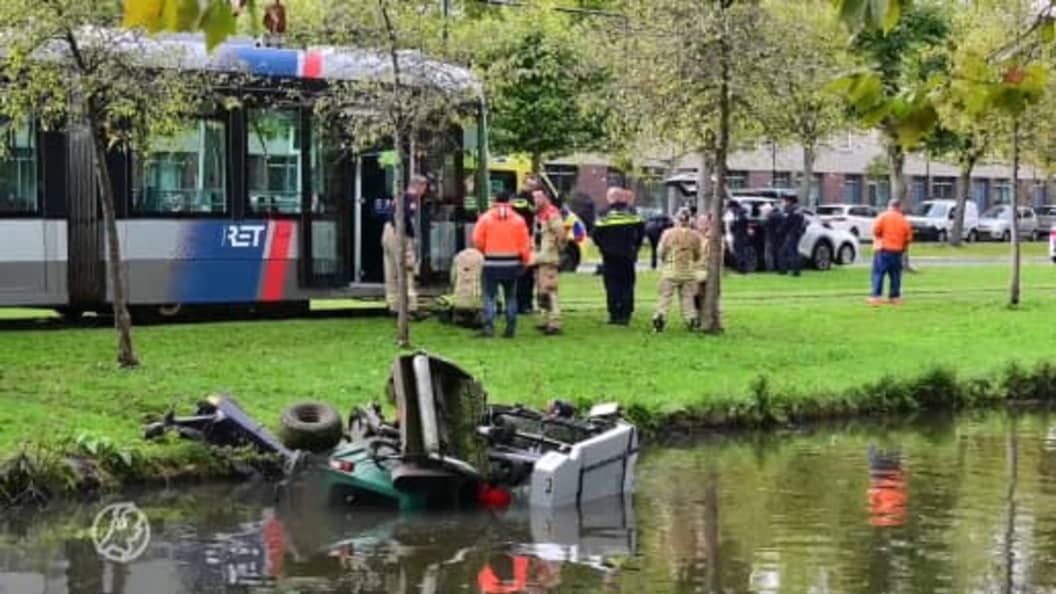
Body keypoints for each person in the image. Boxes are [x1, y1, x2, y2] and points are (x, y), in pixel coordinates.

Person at [472, 191, 532, 337]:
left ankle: (489, 327)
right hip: (511, 264)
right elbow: (525, 243)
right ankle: (510, 328)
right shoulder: (518, 220)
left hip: (491, 263)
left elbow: (477, 239)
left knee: (489, 297)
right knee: (511, 297)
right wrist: (525, 261)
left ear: (495, 201)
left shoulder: (485, 218)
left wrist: (485, 250)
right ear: (509, 201)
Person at [592, 188, 645, 325]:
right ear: (621, 197)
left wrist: (603, 247)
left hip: (609, 257)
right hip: (628, 255)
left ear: (610, 198)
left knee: (612, 285)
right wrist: (635, 248)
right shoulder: (632, 213)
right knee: (627, 284)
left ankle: (614, 314)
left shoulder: (604, 214)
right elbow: (641, 232)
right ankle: (625, 314)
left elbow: (595, 234)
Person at [652, 208, 704, 333]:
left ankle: (660, 317)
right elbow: (698, 255)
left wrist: (665, 260)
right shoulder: (695, 235)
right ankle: (691, 319)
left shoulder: (668, 233)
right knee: (688, 298)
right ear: (690, 220)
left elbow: (661, 252)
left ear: (676, 219)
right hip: (688, 272)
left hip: (671, 271)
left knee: (665, 297)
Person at [382, 175, 426, 319]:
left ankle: (393, 306)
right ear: (419, 186)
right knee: (407, 270)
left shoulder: (399, 196)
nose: (423, 192)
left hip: (387, 232)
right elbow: (404, 218)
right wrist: (410, 238)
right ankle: (410, 308)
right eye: (424, 188)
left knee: (391, 271)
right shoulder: (411, 198)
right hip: (399, 234)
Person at [531, 189, 567, 335]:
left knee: (550, 290)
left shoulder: (552, 213)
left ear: (546, 197)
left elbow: (561, 234)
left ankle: (555, 322)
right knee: (541, 292)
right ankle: (544, 319)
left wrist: (558, 249)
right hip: (539, 258)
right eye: (534, 198)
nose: (535, 200)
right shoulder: (538, 214)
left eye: (538, 197)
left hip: (548, 258)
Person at [870, 198, 914, 306]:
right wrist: (903, 247)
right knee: (895, 275)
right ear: (899, 207)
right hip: (897, 251)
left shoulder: (883, 216)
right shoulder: (903, 220)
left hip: (883, 249)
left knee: (878, 273)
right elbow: (908, 237)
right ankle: (894, 297)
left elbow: (876, 230)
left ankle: (876, 296)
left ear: (889, 206)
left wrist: (880, 237)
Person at [446, 247, 484, 328]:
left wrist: (452, 284)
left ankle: (459, 318)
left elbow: (453, 276)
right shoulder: (480, 258)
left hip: (459, 297)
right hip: (475, 297)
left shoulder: (458, 257)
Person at [779, 195, 806, 277]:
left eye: (786, 201)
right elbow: (802, 221)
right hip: (798, 232)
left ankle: (793, 271)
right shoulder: (799, 209)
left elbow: (787, 221)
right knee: (793, 251)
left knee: (789, 251)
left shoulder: (790, 209)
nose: (785, 203)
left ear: (790, 201)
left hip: (792, 232)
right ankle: (793, 270)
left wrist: (781, 230)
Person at [728, 199, 751, 274]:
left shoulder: (738, 214)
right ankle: (743, 268)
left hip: (739, 235)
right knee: (742, 252)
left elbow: (736, 225)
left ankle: (741, 268)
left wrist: (733, 227)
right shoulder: (742, 213)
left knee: (739, 252)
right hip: (743, 235)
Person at [764, 200, 786, 272]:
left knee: (769, 253)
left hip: (770, 236)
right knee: (779, 252)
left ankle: (770, 268)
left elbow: (766, 224)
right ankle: (780, 266)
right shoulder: (782, 215)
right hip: (780, 237)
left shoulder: (770, 215)